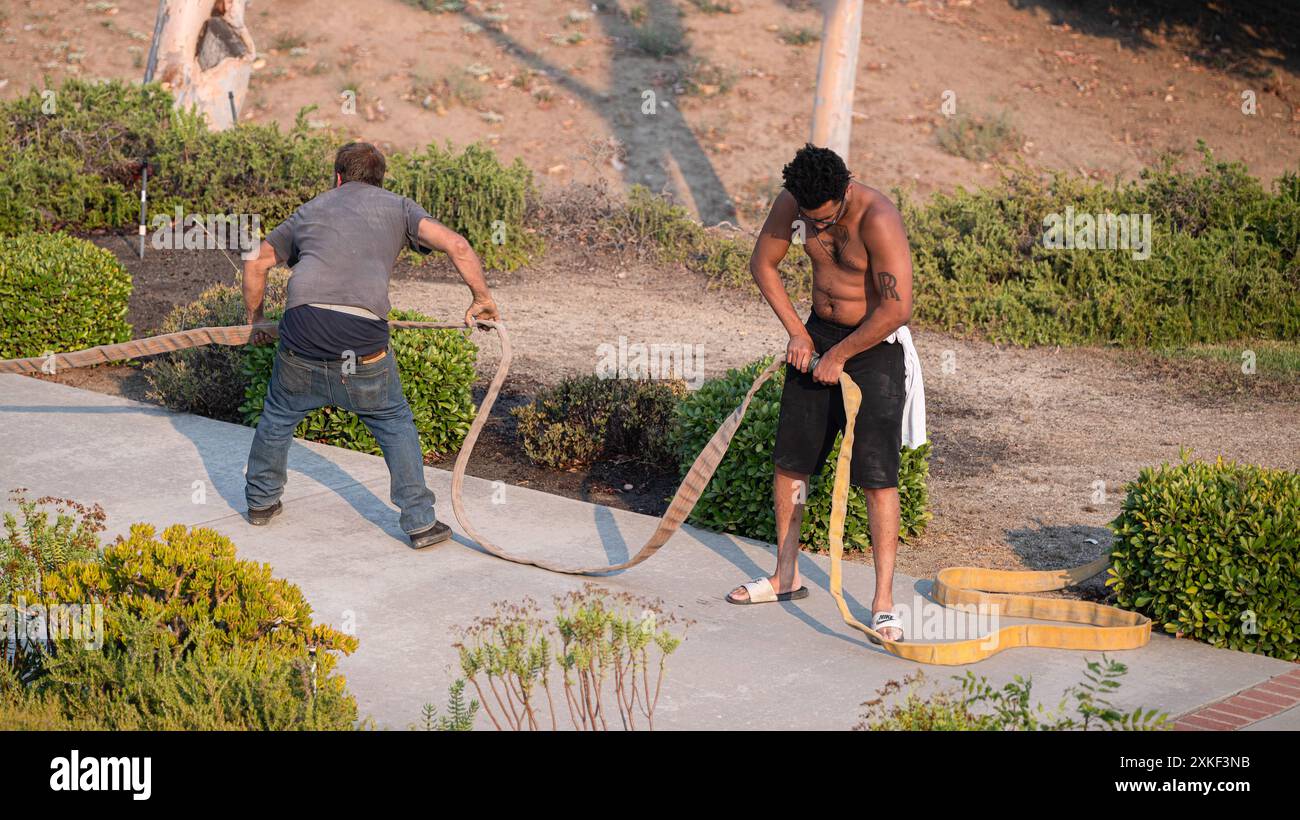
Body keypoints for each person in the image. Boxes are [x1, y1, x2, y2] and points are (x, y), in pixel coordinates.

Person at [240, 141, 500, 549]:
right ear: (380, 180)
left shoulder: (311, 208)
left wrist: (255, 321)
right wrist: (482, 300)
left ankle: (260, 504)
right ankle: (419, 524)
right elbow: (459, 245)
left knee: (278, 415)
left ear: (338, 177)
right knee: (394, 422)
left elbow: (255, 260)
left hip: (303, 331)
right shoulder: (399, 207)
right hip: (360, 343)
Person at [728, 143, 919, 643]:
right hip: (817, 337)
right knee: (792, 462)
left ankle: (882, 602)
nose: (812, 228)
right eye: (806, 220)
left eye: (823, 218)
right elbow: (762, 265)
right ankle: (785, 575)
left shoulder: (877, 217)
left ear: (845, 191)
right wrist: (798, 332)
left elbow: (897, 309)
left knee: (877, 475)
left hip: (874, 345)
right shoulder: (795, 203)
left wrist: (841, 355)